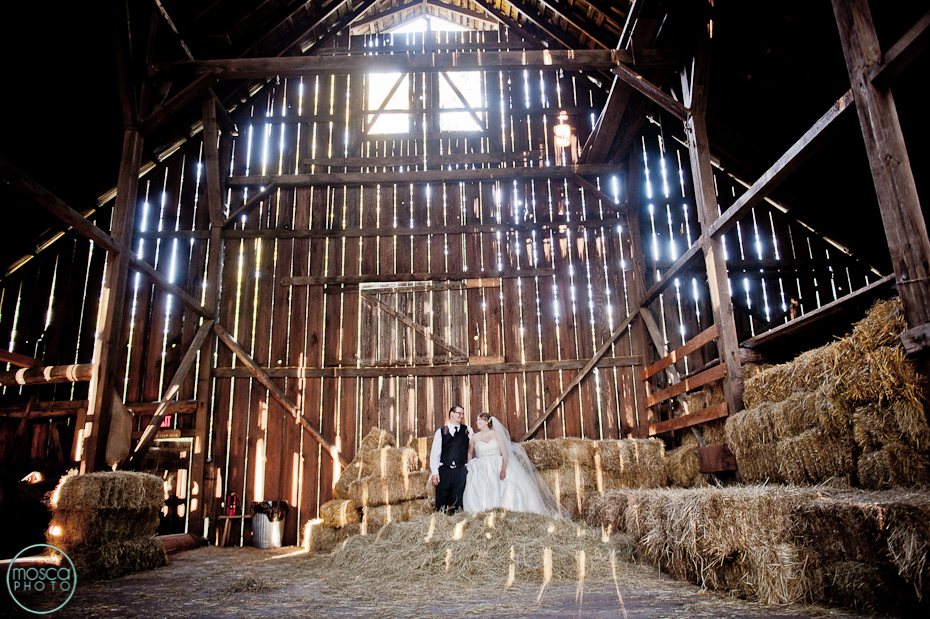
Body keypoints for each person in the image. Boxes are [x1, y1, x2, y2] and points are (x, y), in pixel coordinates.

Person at [462, 413, 565, 517]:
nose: (477, 422)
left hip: (497, 463)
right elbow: (470, 453)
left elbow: (505, 453)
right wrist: (469, 464)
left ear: (486, 422)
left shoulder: (497, 434)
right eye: (476, 420)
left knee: (506, 486)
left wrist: (503, 469)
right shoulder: (474, 437)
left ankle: (507, 512)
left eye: (480, 420)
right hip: (481, 466)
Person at [429, 405, 472, 513]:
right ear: (451, 414)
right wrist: (435, 472)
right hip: (445, 470)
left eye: (463, 414)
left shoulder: (467, 430)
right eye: (459, 413)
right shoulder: (441, 432)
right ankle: (441, 523)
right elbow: (435, 454)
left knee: (458, 500)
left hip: (460, 471)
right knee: (441, 500)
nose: (461, 416)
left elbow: (473, 449)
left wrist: (468, 465)